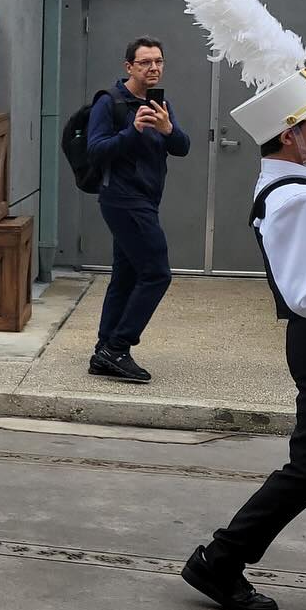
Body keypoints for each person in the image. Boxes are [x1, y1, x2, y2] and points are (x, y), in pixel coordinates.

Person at [176, 0, 306, 610]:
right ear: (288, 134)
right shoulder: (296, 198)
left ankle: (220, 557)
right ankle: (220, 559)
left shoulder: (294, 184)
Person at [85, 36, 191, 383]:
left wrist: (168, 129)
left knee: (127, 275)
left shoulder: (162, 104)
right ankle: (118, 346)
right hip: (121, 199)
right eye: (145, 62)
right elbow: (97, 150)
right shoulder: (109, 102)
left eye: (158, 61)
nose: (153, 68)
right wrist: (133, 130)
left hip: (146, 200)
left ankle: (104, 352)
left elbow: (182, 148)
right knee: (157, 273)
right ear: (129, 66)